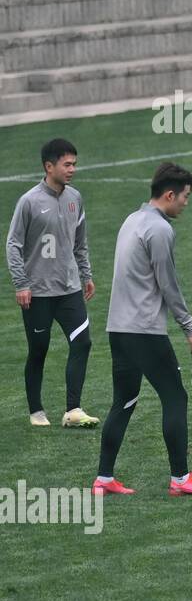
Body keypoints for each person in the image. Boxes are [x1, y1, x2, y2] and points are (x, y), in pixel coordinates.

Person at [93, 163, 192, 497]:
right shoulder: (160, 230)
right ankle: (181, 479)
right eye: (185, 197)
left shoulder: (131, 220)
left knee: (123, 401)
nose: (186, 203)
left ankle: (104, 478)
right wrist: (189, 328)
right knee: (175, 397)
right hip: (144, 331)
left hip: (117, 329)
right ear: (169, 195)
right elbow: (169, 284)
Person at [6, 138, 98, 428]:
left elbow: (80, 242)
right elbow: (13, 244)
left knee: (82, 342)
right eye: (66, 164)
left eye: (74, 164)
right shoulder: (29, 202)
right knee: (39, 350)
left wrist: (86, 274)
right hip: (38, 293)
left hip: (69, 289)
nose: (72, 169)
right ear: (49, 166)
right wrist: (21, 283)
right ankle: (36, 411)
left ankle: (73, 410)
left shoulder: (75, 198)